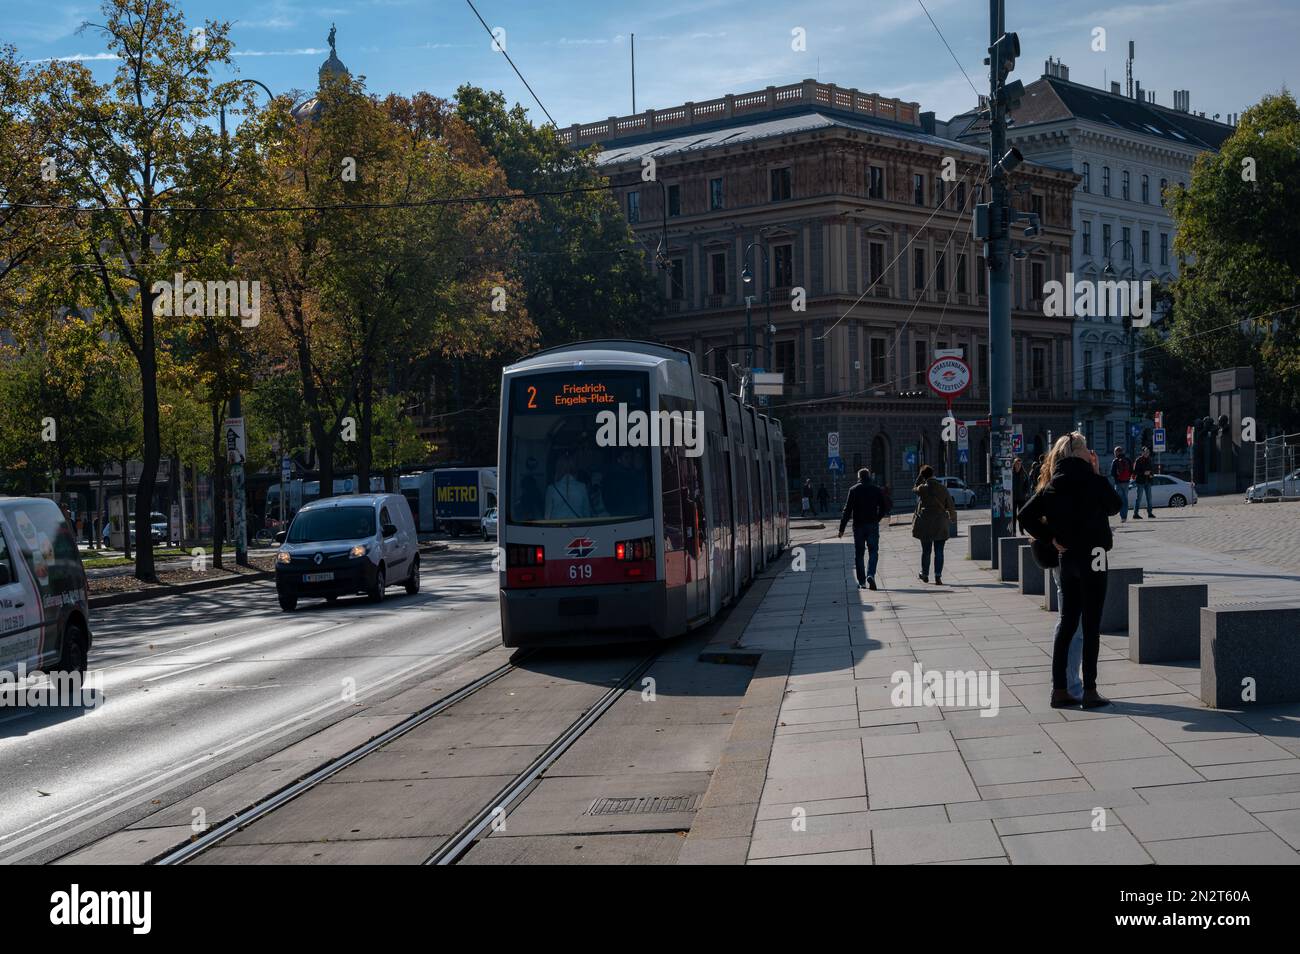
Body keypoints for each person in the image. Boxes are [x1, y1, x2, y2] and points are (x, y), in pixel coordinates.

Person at [1017, 432, 1122, 709]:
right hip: (1095, 555)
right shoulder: (1092, 480)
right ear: (1080, 453)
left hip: (1068, 558)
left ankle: (1059, 690)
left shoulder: (1053, 484)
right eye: (1087, 448)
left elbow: (1024, 515)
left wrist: (1050, 538)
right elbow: (1115, 506)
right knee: (1091, 625)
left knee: (1067, 624)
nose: (1091, 452)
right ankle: (1089, 691)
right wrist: (1098, 474)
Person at [837, 467, 889, 590]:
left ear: (859, 477)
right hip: (872, 525)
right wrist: (877, 518)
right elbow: (884, 507)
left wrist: (841, 529)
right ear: (869, 476)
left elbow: (847, 510)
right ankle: (870, 574)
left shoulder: (853, 490)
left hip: (858, 526)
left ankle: (862, 582)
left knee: (859, 554)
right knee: (873, 551)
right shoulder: (876, 489)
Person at [912, 464, 958, 585]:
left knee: (926, 551)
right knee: (939, 551)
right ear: (933, 474)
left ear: (923, 476)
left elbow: (914, 488)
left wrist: (919, 477)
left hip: (925, 524)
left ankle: (925, 574)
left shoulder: (922, 488)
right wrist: (953, 518)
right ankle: (938, 576)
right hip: (940, 524)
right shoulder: (943, 488)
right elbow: (951, 505)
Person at [544, 449, 591, 520]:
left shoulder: (551, 489)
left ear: (558, 468)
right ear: (574, 468)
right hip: (578, 528)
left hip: (557, 529)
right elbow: (587, 514)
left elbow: (547, 516)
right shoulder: (582, 487)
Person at [1108, 445, 1132, 523]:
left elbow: (1112, 473)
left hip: (1118, 483)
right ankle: (1124, 516)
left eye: (1115, 452)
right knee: (1125, 499)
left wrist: (1116, 478)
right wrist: (1128, 478)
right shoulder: (1128, 460)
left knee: (1120, 499)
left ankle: (1122, 517)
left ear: (1117, 452)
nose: (1114, 453)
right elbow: (1132, 470)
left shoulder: (1115, 461)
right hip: (1127, 482)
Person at [1132, 446, 1155, 519]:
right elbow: (1135, 471)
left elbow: (1152, 469)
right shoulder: (1138, 460)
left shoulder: (1149, 459)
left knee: (1149, 498)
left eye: (1148, 452)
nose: (1147, 453)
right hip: (1140, 481)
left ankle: (1150, 513)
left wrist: (1151, 474)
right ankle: (1135, 514)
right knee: (1139, 498)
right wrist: (1143, 473)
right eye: (1146, 452)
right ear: (1142, 452)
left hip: (1148, 481)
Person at [1011, 458, 1029, 533]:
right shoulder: (1011, 473)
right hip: (1013, 497)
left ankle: (1021, 530)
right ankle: (1014, 530)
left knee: (1021, 515)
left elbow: (1027, 485)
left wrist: (1026, 493)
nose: (1018, 465)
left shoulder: (1024, 474)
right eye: (1017, 464)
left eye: (1019, 464)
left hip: (1021, 497)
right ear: (1014, 465)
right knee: (1014, 515)